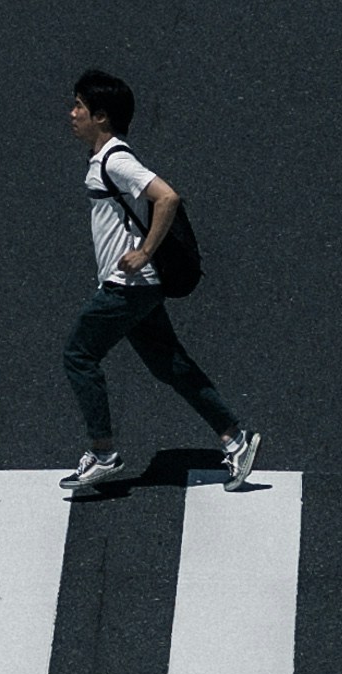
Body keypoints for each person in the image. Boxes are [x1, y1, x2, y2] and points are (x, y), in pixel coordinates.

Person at [60, 69, 262, 495]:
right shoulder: (105, 159)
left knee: (79, 355)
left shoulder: (116, 160)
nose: (72, 112)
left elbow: (167, 197)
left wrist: (144, 252)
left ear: (102, 117)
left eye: (79, 105)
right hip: (139, 288)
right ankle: (235, 440)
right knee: (169, 365)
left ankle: (103, 453)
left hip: (127, 286)